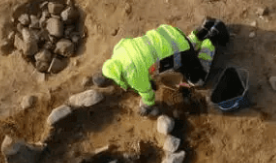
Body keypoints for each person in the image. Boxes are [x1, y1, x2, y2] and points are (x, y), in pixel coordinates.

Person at [96, 18, 229, 115]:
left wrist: (146, 107)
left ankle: (211, 38)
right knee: (176, 49)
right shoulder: (118, 50)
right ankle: (203, 30)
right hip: (167, 33)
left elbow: (147, 94)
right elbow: (139, 54)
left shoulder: (132, 75)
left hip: (179, 48)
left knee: (197, 80)